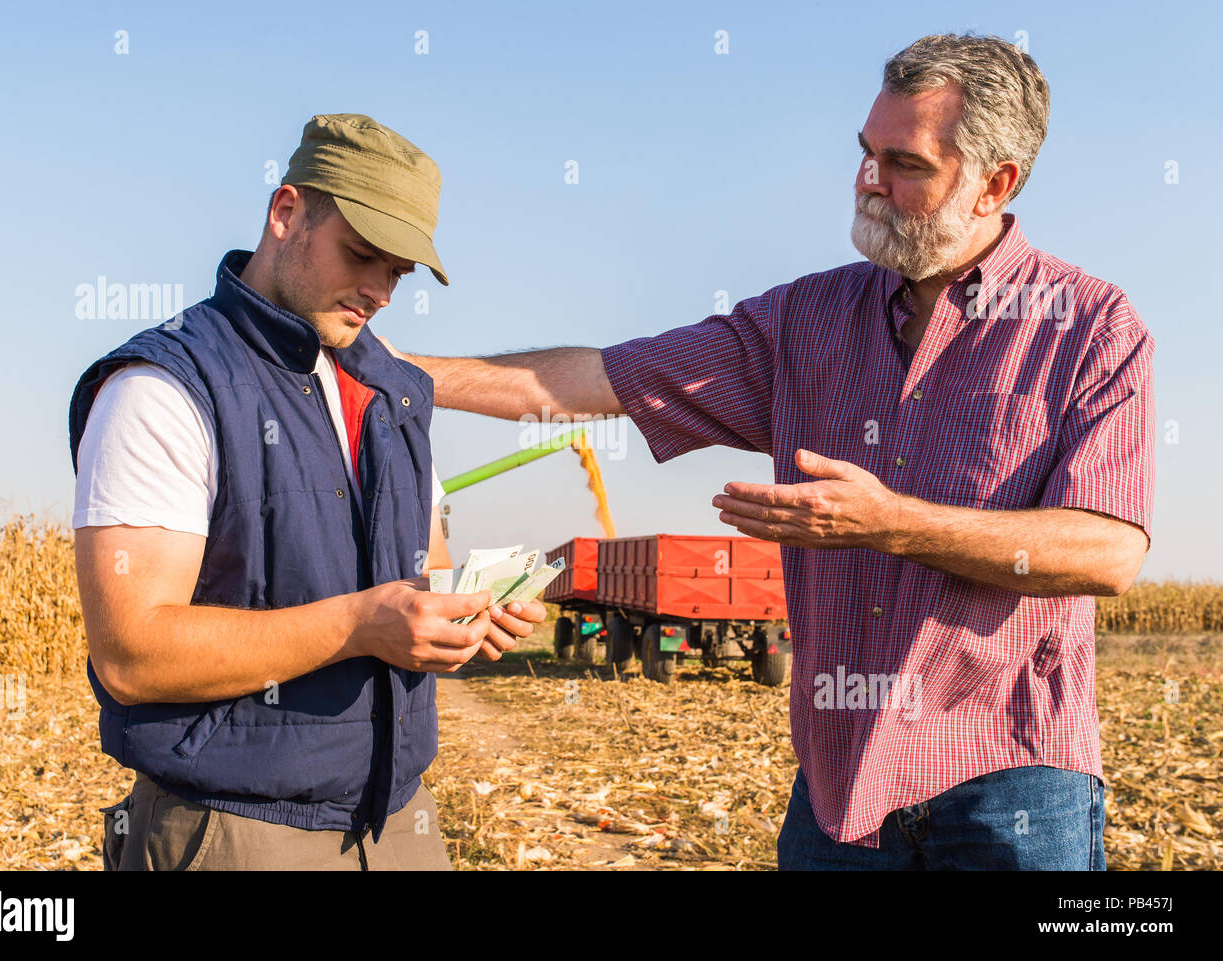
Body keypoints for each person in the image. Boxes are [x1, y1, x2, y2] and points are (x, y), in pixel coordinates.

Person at [380, 35, 1154, 870]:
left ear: (995, 183)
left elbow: (1109, 551)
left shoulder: (1092, 328)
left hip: (1011, 784)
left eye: (905, 164)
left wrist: (890, 523)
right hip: (838, 793)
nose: (868, 180)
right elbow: (581, 381)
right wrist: (386, 369)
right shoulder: (802, 322)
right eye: (865, 152)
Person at [68, 113, 545, 871]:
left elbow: (425, 575)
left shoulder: (395, 394)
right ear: (285, 213)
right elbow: (132, 652)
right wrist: (360, 624)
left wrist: (460, 618)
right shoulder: (163, 389)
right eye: (362, 254)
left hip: (401, 824)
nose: (381, 291)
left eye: (400, 271)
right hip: (234, 831)